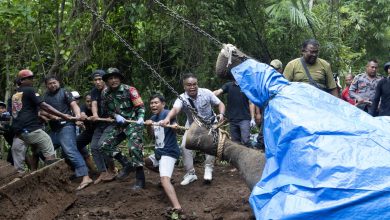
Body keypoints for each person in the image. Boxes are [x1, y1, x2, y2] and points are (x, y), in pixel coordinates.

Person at [160, 73, 226, 185]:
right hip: (192, 125)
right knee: (184, 146)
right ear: (184, 86)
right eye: (189, 85)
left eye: (194, 84)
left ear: (197, 84)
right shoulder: (182, 98)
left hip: (210, 123)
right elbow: (175, 109)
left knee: (211, 145)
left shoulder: (206, 93)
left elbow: (220, 104)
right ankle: (190, 173)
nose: (192, 87)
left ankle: (208, 169)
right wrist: (167, 119)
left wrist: (221, 114)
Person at [11, 70, 70, 167]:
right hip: (30, 128)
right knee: (47, 142)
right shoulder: (29, 90)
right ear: (21, 80)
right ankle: (52, 172)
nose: (32, 80)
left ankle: (21, 174)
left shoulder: (16, 94)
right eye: (29, 78)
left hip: (19, 131)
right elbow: (44, 106)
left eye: (32, 78)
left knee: (29, 150)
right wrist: (63, 115)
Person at [43, 75, 92, 190]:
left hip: (67, 126)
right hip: (54, 129)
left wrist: (78, 115)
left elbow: (74, 105)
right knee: (43, 150)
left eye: (54, 82)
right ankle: (58, 175)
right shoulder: (45, 97)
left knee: (70, 149)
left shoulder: (65, 92)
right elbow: (42, 111)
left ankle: (85, 176)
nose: (52, 85)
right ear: (46, 85)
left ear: (58, 82)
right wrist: (51, 116)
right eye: (50, 83)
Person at [99, 67, 146, 189]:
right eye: (110, 78)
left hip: (133, 122)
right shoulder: (105, 93)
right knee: (104, 145)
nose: (113, 80)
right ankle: (127, 164)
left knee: (134, 147)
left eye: (116, 77)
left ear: (119, 78)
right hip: (119, 124)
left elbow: (140, 107)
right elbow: (107, 110)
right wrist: (115, 115)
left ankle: (140, 179)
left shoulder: (129, 90)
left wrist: (140, 118)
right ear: (107, 81)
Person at [144, 94, 182, 212]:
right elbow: (151, 135)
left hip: (169, 152)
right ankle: (167, 178)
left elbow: (175, 125)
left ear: (163, 104)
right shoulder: (153, 117)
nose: (153, 105)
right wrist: (149, 126)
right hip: (159, 151)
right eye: (151, 103)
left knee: (164, 180)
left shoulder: (167, 113)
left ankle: (177, 207)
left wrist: (175, 126)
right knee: (146, 162)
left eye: (156, 102)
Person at [88, 70, 117, 184]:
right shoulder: (94, 91)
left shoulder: (110, 89)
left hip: (111, 122)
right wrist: (95, 115)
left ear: (104, 80)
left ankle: (112, 169)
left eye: (100, 79)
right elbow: (94, 103)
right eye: (95, 80)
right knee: (94, 147)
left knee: (102, 144)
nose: (98, 82)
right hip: (100, 123)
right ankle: (103, 172)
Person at [214, 81, 255, 147]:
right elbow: (219, 91)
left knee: (246, 140)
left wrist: (253, 118)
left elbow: (251, 103)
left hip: (244, 118)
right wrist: (208, 94)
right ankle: (239, 157)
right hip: (232, 119)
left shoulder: (246, 85)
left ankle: (250, 156)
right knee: (235, 143)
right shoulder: (228, 85)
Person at [75, 94, 97, 173]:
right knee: (74, 144)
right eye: (88, 101)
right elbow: (82, 112)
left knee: (96, 147)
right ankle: (83, 170)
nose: (89, 103)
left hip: (98, 132)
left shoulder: (99, 107)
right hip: (88, 132)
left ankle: (109, 169)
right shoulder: (82, 107)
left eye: (91, 101)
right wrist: (82, 116)